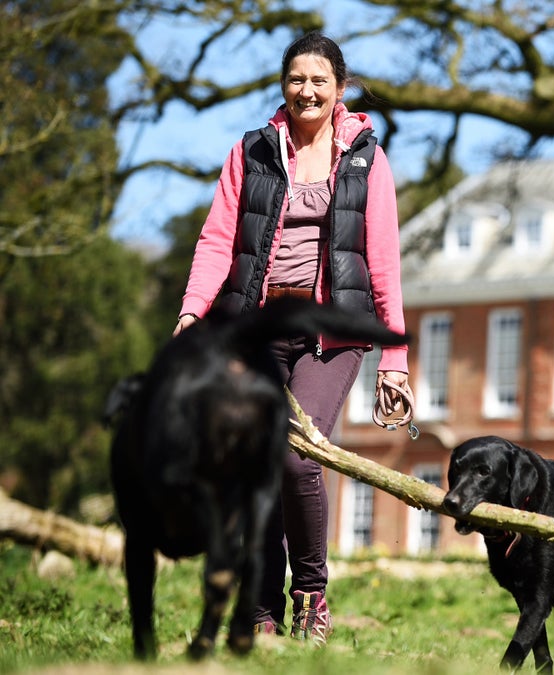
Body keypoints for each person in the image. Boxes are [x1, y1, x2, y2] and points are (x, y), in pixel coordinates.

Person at [173, 31, 409, 646]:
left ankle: (311, 595)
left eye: (320, 81)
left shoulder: (365, 157)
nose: (307, 91)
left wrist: (396, 359)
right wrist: (193, 313)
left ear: (340, 88)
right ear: (284, 85)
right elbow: (218, 239)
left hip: (331, 334)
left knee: (296, 456)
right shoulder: (251, 151)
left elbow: (382, 260)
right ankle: (259, 611)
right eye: (296, 80)